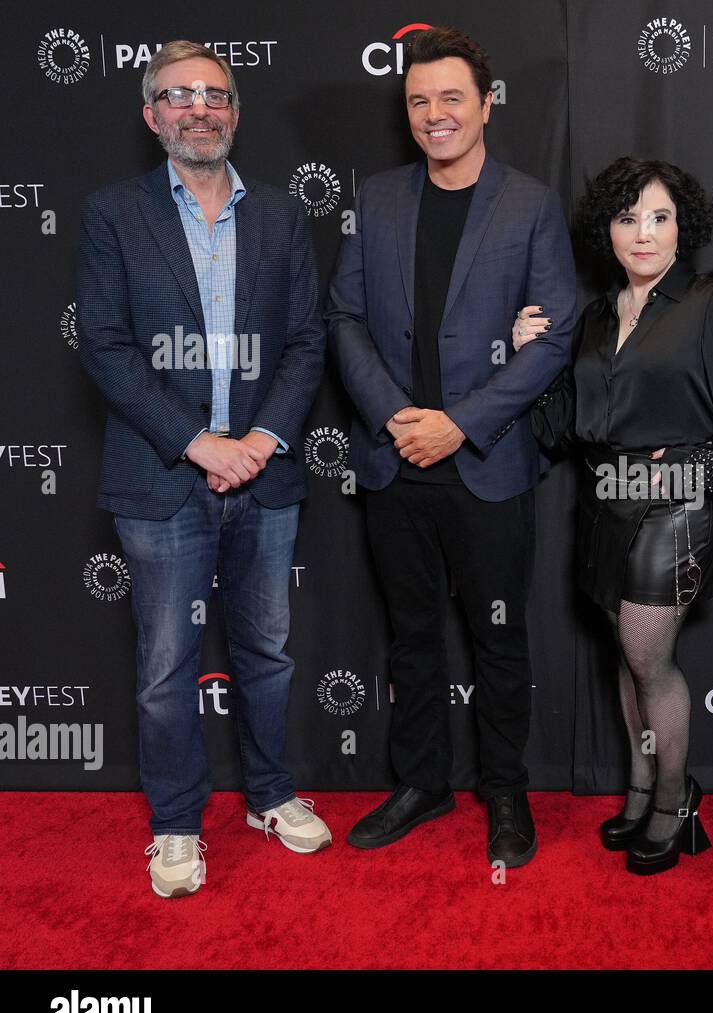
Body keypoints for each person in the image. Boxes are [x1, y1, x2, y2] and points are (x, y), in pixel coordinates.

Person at [78, 41, 330, 898]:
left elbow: (305, 341)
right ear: (153, 115)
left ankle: (269, 795)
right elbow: (106, 348)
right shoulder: (116, 212)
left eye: (215, 94)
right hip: (163, 476)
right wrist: (198, 441)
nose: (200, 108)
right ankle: (177, 824)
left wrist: (258, 443)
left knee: (268, 651)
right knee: (163, 669)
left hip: (264, 476)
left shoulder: (280, 217)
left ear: (234, 112)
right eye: (179, 95)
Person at [326, 26, 576, 867]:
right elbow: (345, 316)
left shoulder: (532, 204)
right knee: (411, 635)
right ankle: (422, 782)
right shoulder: (381, 196)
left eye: (451, 98)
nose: (435, 115)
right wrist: (398, 416)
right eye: (420, 100)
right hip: (395, 458)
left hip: (487, 461)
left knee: (500, 636)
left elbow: (555, 336)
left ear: (486, 105)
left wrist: (459, 422)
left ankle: (505, 789)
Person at [522, 157, 713, 875]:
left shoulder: (711, 302)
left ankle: (677, 799)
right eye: (627, 218)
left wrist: (706, 469)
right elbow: (560, 429)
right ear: (605, 231)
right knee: (627, 655)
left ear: (684, 227)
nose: (644, 234)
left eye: (660, 217)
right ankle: (644, 784)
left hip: (678, 507)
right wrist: (529, 360)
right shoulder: (595, 315)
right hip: (603, 503)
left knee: (649, 655)